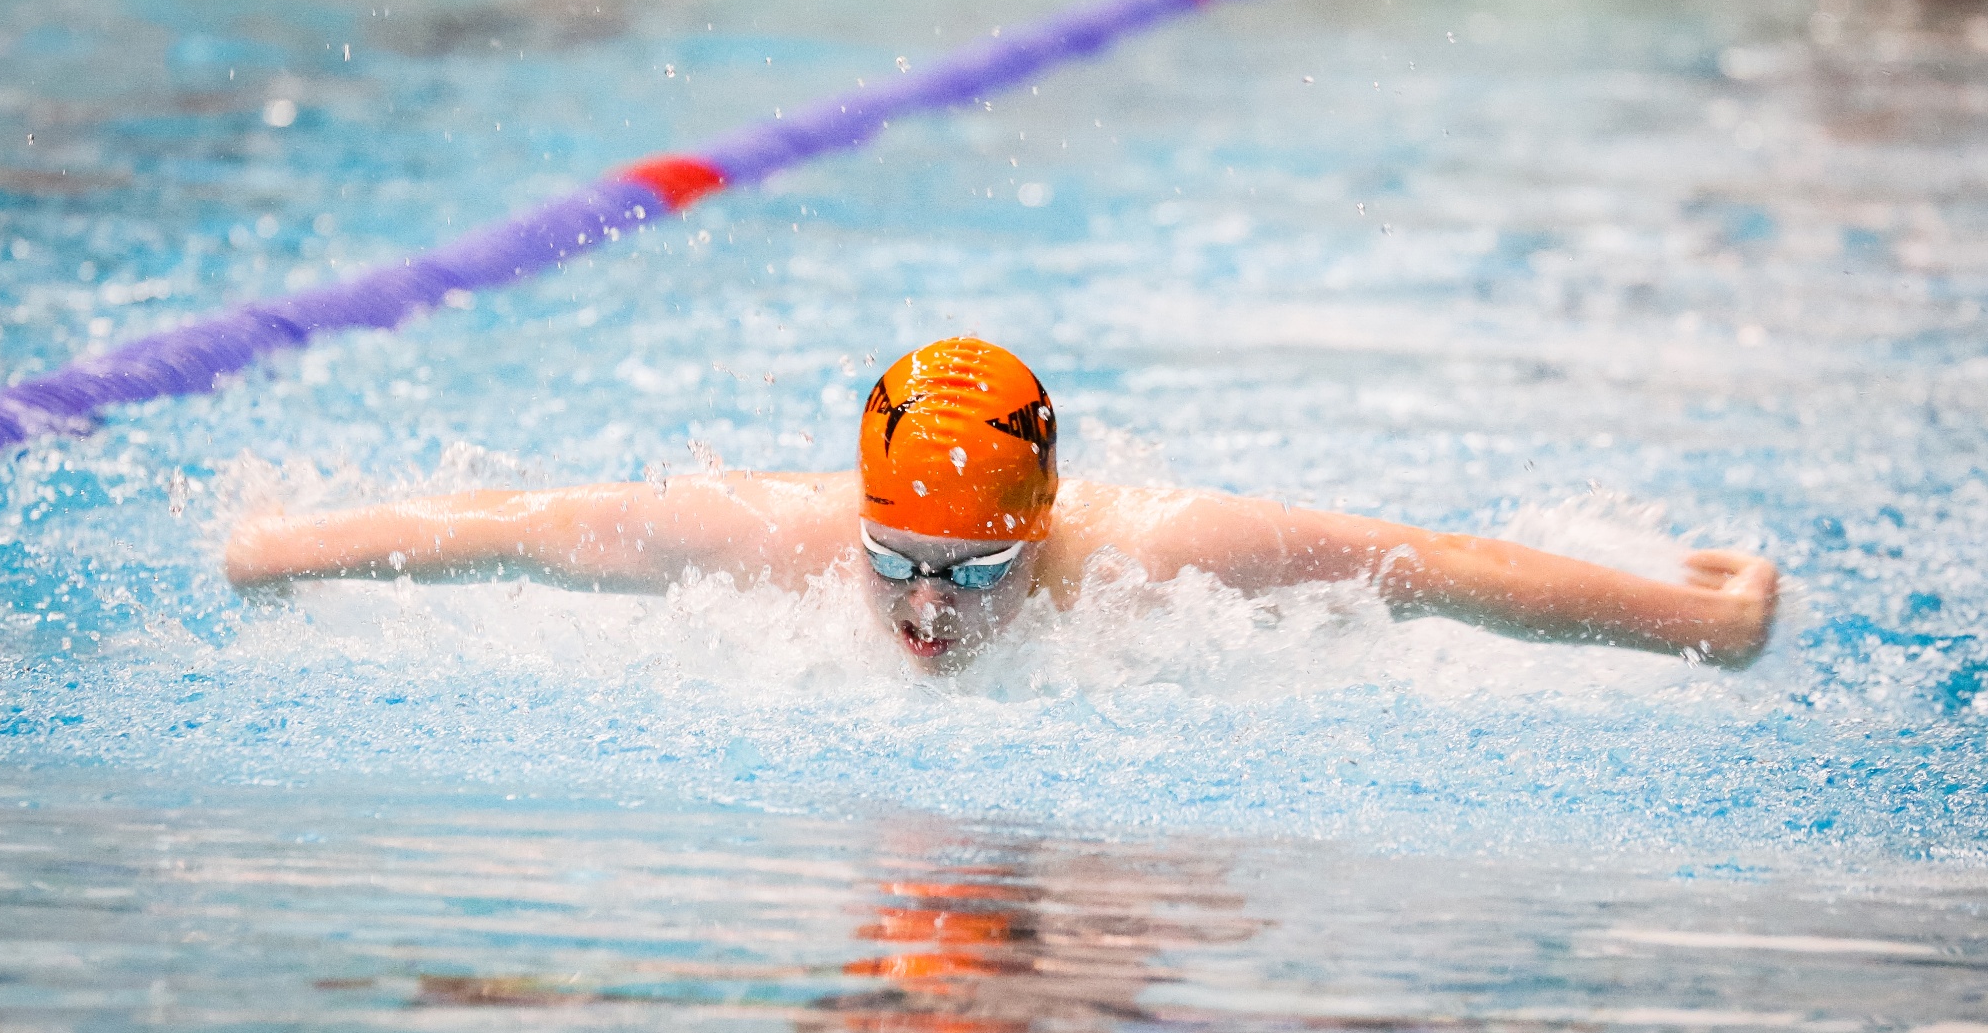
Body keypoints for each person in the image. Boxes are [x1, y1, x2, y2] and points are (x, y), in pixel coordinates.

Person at [225, 337, 1780, 670]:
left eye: (972, 579)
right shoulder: (767, 539)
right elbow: (522, 526)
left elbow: (1424, 567)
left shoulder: (1160, 559)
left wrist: (1702, 620)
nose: (920, 610)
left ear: (1041, 537)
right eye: (894, 560)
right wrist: (277, 546)